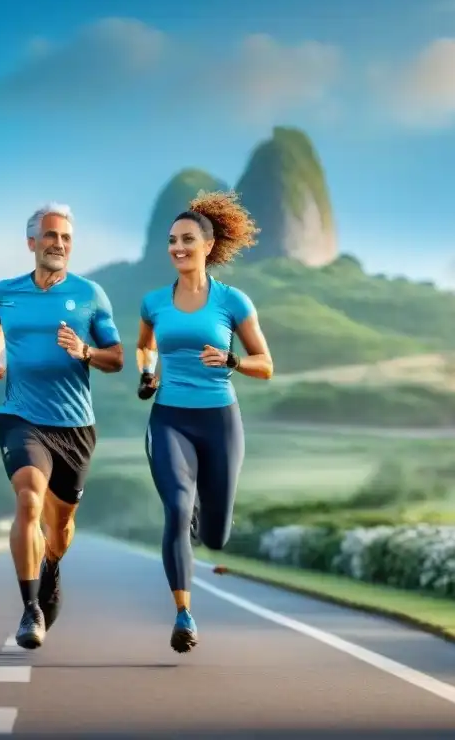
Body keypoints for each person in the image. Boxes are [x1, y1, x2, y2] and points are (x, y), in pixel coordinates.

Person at [135, 191, 274, 653]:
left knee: (216, 535)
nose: (177, 247)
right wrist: (148, 373)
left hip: (219, 419)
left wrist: (232, 360)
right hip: (169, 418)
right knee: (176, 510)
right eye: (172, 239)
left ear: (208, 246)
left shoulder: (232, 301)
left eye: (187, 239)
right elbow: (144, 346)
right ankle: (183, 614)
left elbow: (266, 364)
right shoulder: (154, 301)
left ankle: (202, 518)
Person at [0, 202, 124, 649]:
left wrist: (84, 352)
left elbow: (117, 358)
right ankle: (30, 609)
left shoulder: (90, 295)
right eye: (50, 236)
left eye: (65, 238)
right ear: (32, 243)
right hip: (21, 418)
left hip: (75, 427)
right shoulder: (5, 292)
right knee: (28, 500)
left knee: (59, 529)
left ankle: (53, 569)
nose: (59, 244)